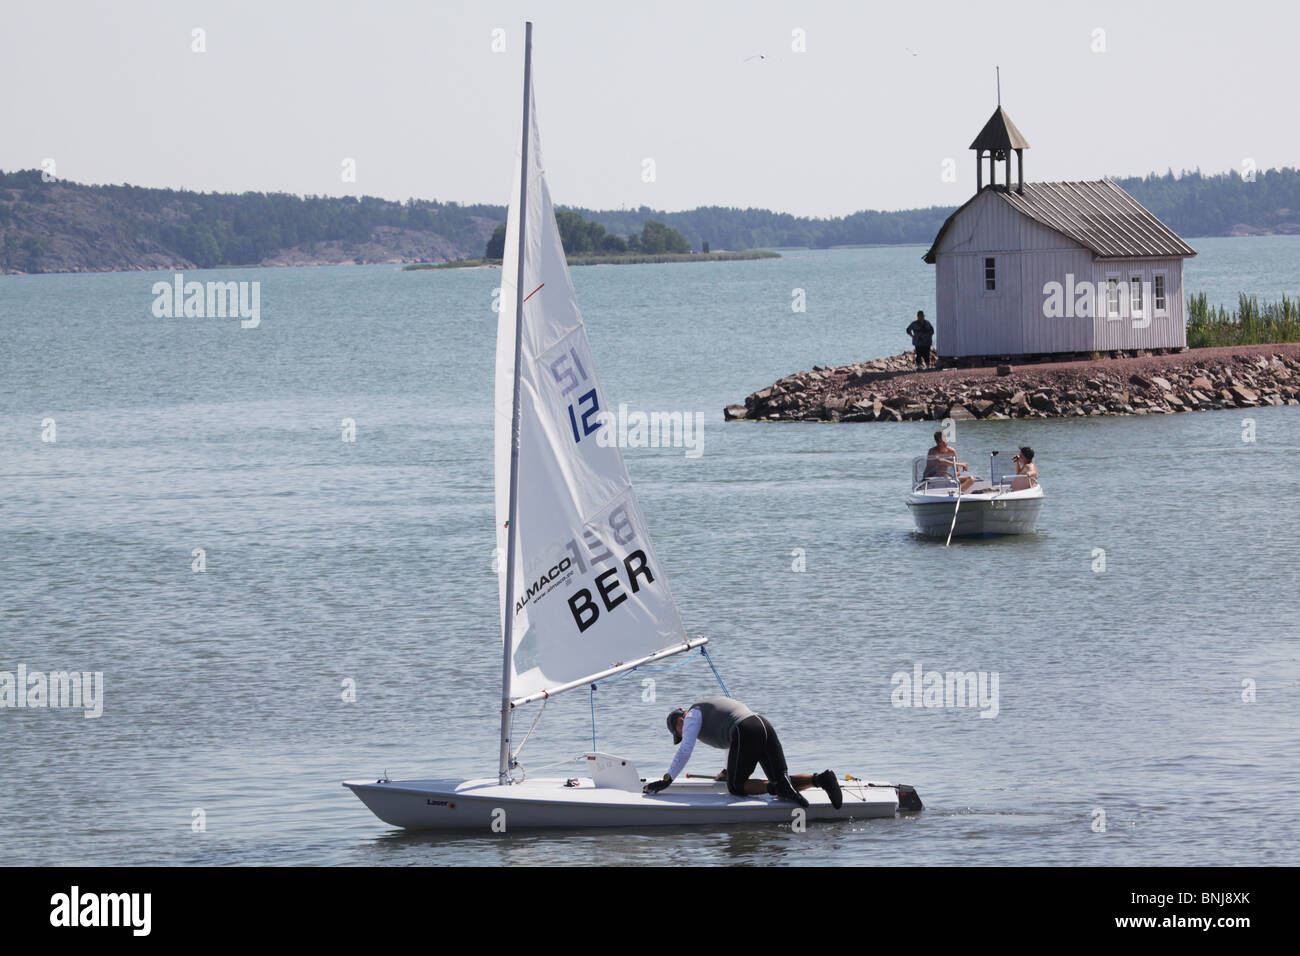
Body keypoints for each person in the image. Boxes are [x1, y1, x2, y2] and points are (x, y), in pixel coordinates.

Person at [643, 697, 842, 810]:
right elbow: (731, 745)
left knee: (736, 787)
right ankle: (822, 779)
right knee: (780, 779)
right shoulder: (709, 712)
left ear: (679, 722)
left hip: (745, 730)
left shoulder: (693, 715)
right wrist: (726, 770)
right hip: (763, 725)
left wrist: (667, 780)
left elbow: (685, 749)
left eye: (679, 733)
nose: (684, 735)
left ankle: (780, 788)